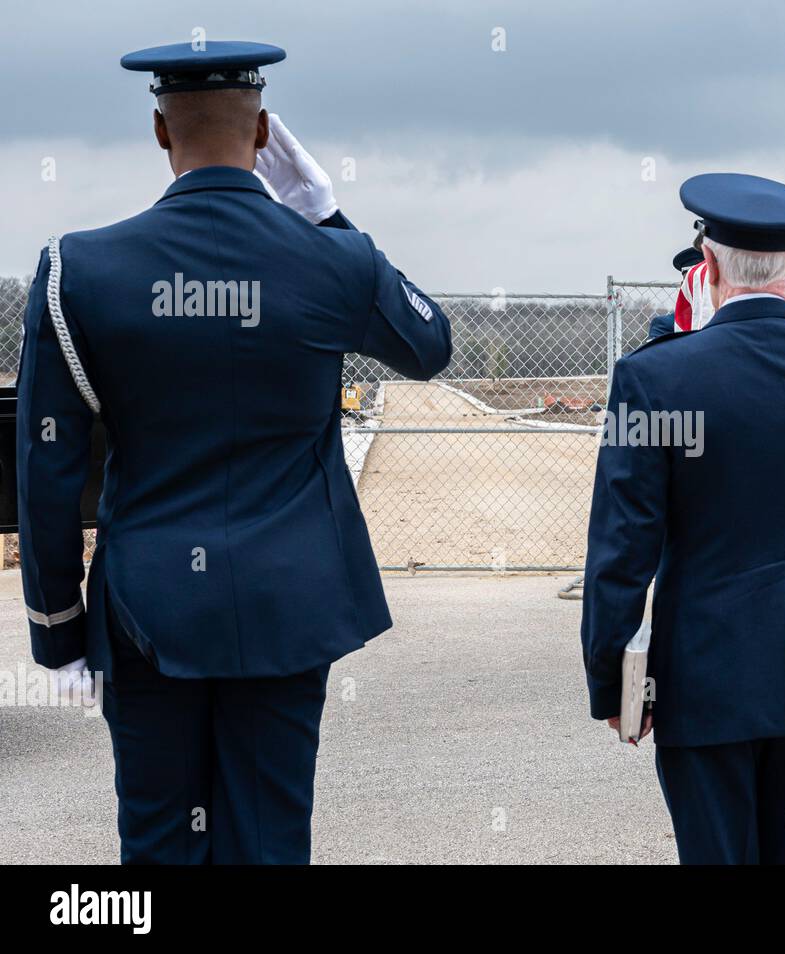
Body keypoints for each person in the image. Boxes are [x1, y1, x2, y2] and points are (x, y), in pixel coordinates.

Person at [16, 40, 453, 863]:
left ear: (158, 130)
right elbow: (429, 345)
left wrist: (57, 629)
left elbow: (47, 467)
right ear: (263, 139)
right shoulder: (336, 260)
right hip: (291, 598)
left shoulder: (79, 267)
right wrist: (327, 216)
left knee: (156, 838)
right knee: (270, 833)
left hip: (148, 606)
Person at [580, 173, 785, 864]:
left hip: (709, 668)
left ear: (705, 269)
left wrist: (611, 679)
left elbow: (623, 545)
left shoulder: (655, 378)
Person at [647, 245, 704, 341]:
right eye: (693, 282)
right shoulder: (665, 325)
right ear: (683, 286)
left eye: (704, 282)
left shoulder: (725, 319)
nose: (700, 288)